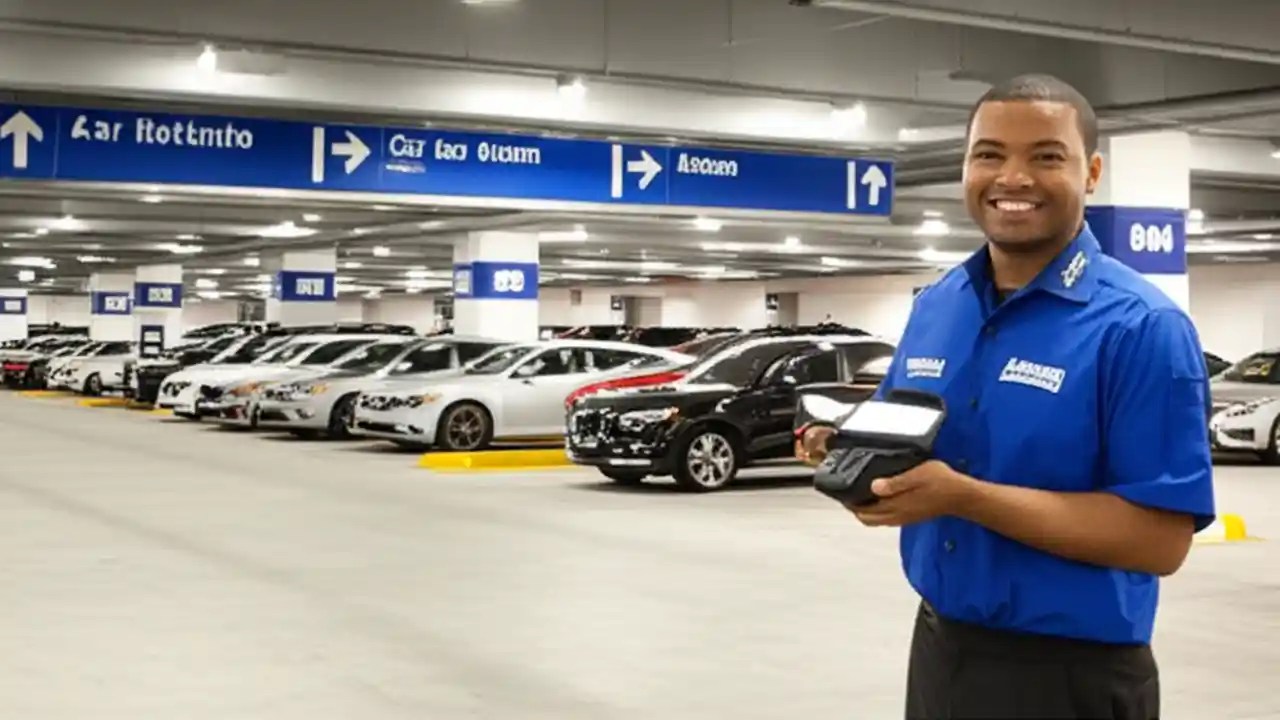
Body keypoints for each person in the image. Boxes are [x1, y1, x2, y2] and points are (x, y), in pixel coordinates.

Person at [797, 74, 1215, 719]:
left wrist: (963, 497)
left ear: (1092, 171)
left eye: (1046, 156)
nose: (1012, 178)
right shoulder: (939, 305)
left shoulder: (1140, 327)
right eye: (989, 153)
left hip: (1068, 675)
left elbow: (1158, 541)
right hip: (941, 649)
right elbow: (904, 428)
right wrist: (847, 448)